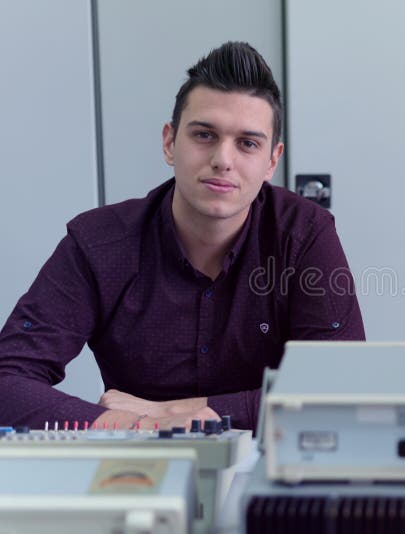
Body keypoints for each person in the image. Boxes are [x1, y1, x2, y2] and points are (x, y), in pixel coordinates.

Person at [0, 41, 364, 431]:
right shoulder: (98, 243)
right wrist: (136, 425)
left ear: (271, 160)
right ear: (170, 142)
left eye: (248, 143)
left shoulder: (304, 234)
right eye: (205, 135)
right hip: (136, 470)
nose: (224, 159)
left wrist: (182, 411)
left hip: (274, 468)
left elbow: (341, 388)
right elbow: (8, 380)